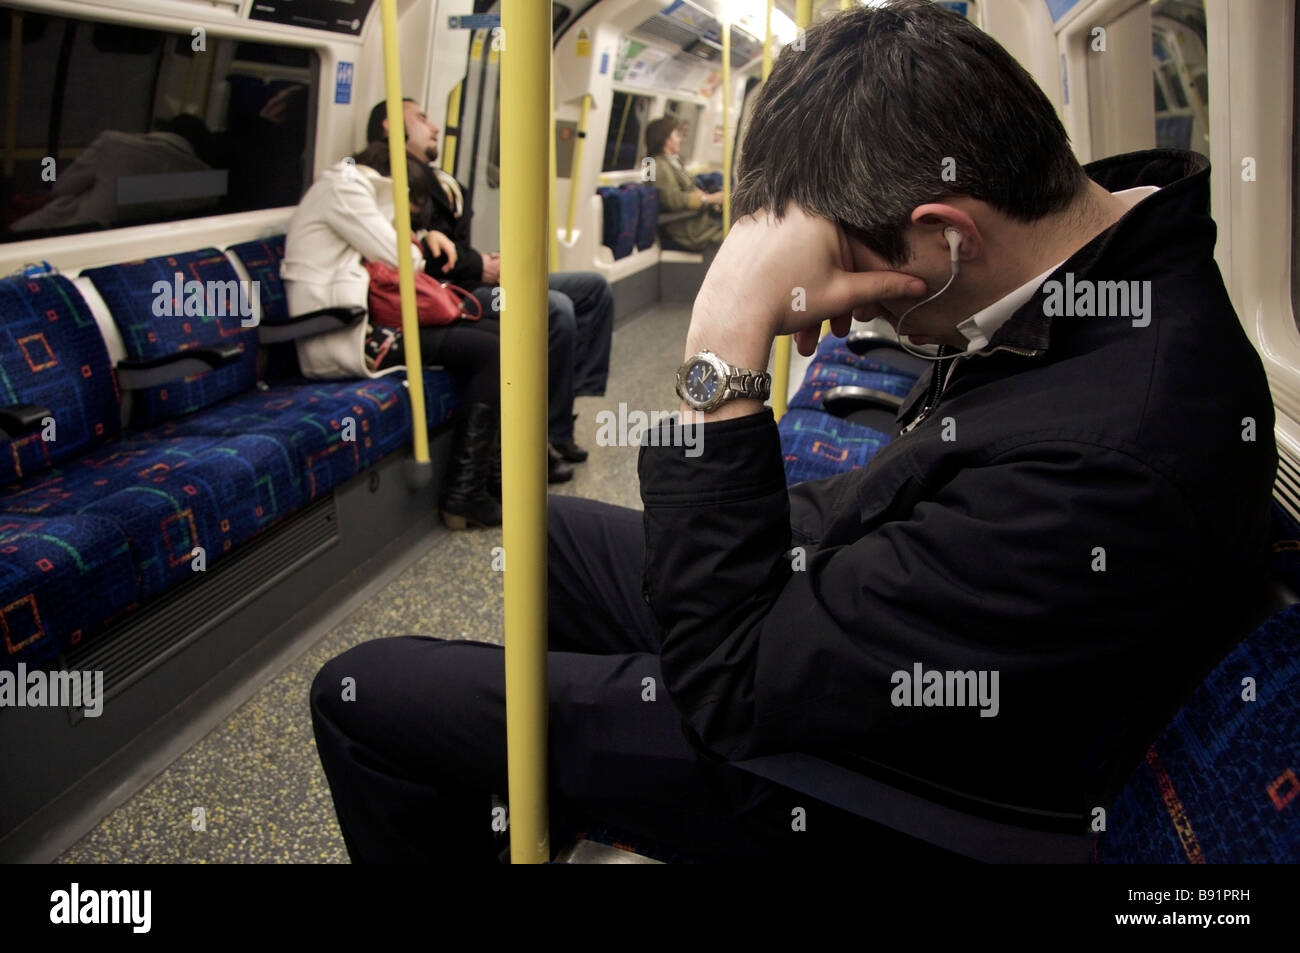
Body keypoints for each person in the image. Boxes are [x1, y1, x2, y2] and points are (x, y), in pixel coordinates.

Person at [310, 0, 1276, 862]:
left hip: (931, 790)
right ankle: (572, 797)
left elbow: (729, 686)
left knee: (368, 695)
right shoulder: (1106, 263)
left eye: (845, 263)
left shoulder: (1117, 450)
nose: (845, 314)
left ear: (948, 234)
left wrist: (722, 346)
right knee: (552, 540)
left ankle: (586, 769)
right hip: (928, 631)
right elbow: (929, 496)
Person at [282, 139, 512, 529]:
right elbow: (403, 257)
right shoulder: (345, 188)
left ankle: (490, 473)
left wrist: (421, 238)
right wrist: (419, 240)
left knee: (499, 332)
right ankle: (464, 492)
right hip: (345, 335)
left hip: (366, 324)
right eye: (411, 200)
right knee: (496, 351)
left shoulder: (352, 192)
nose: (410, 211)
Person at [371, 100, 614, 466]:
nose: (435, 126)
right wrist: (480, 265)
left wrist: (489, 261)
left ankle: (561, 409)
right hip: (448, 293)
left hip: (472, 274)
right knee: (555, 308)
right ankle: (546, 430)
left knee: (593, 288)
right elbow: (418, 253)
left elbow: (454, 243)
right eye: (422, 118)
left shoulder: (442, 180)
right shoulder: (384, 178)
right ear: (391, 127)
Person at [643, 116, 724, 251]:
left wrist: (707, 195)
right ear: (666, 140)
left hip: (694, 220)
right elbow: (672, 200)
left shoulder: (671, 162)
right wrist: (709, 199)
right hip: (686, 228)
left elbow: (688, 186)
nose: (679, 140)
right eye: (676, 136)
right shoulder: (656, 165)